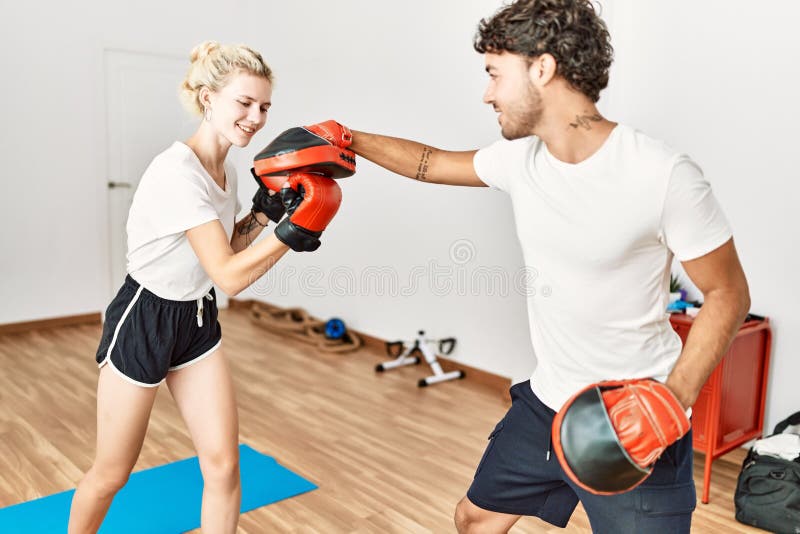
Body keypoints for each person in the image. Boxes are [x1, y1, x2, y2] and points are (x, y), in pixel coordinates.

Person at [337, 0, 751, 531]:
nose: (486, 93)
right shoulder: (520, 159)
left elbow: (727, 294)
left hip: (633, 421)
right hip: (547, 402)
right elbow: (431, 164)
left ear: (542, 68)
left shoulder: (661, 174)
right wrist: (345, 139)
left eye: (494, 74)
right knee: (475, 518)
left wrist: (672, 400)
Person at [68, 41, 341, 533]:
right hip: (144, 317)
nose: (256, 117)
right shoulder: (178, 172)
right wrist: (294, 230)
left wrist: (261, 216)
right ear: (209, 98)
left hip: (195, 319)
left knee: (223, 464)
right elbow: (231, 275)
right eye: (245, 103)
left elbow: (226, 250)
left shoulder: (226, 169)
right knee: (112, 474)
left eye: (264, 106)